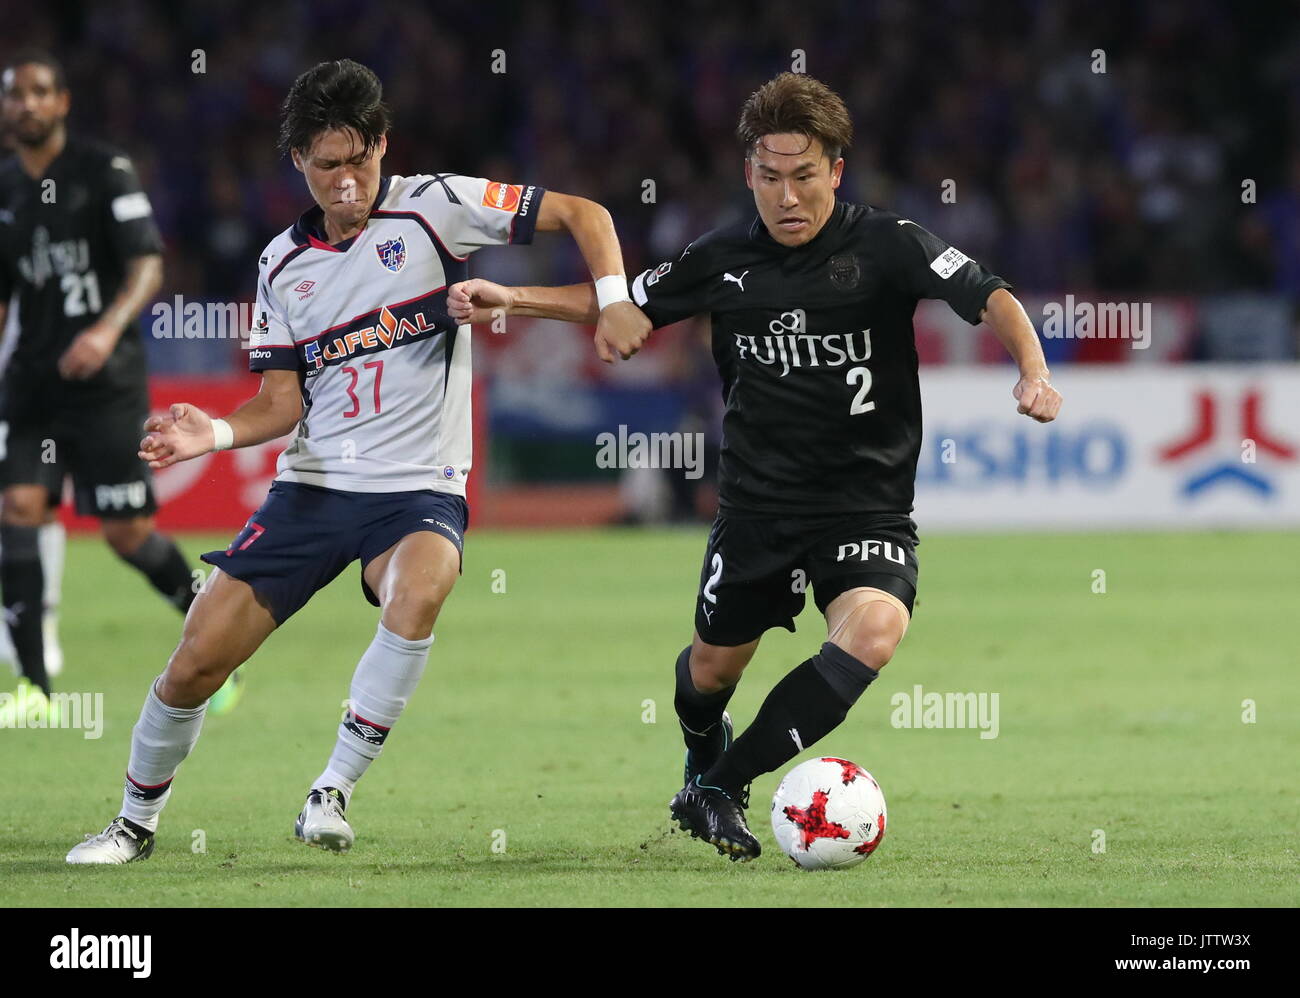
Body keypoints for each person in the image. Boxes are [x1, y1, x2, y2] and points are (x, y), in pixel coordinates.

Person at [447, 72, 1062, 861]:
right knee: (709, 673)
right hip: (757, 508)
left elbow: (992, 296)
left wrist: (1034, 372)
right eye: (769, 177)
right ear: (749, 175)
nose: (787, 195)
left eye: (804, 176)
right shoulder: (724, 259)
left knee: (874, 630)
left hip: (865, 507)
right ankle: (706, 751)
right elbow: (626, 300)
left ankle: (718, 786)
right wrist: (516, 298)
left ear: (836, 171)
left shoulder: (889, 244)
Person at [65, 58, 647, 864]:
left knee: (423, 585)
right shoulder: (280, 267)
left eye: (360, 159)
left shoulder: (435, 206)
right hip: (312, 489)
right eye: (328, 165)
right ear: (298, 163)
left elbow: (586, 213)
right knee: (196, 663)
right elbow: (280, 403)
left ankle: (331, 789)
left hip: (416, 490)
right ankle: (132, 824)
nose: (347, 181)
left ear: (383, 144)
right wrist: (215, 437)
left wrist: (612, 299)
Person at [0, 51, 236, 726]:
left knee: (127, 532)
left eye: (41, 91)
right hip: (29, 389)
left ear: (63, 102)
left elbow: (148, 264)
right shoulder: (3, 190)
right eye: (16, 94)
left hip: (106, 387)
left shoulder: (104, 172)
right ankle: (35, 688)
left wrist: (104, 331)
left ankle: (221, 647)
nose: (27, 104)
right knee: (19, 507)